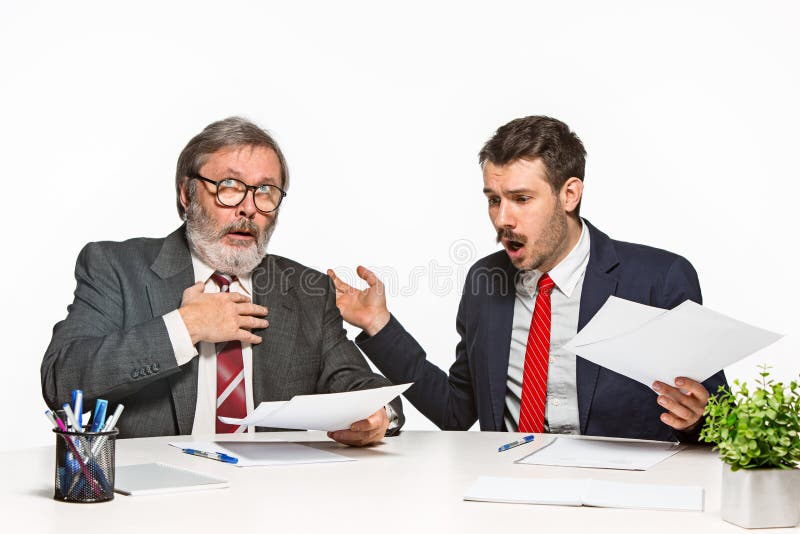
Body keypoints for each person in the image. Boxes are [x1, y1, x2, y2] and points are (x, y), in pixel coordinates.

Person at [329, 115, 726, 442]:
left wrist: (696, 419)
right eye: (493, 199)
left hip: (617, 497)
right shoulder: (486, 279)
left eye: (521, 199)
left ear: (569, 194)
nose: (503, 219)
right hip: (507, 490)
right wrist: (378, 325)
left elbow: (721, 422)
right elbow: (454, 412)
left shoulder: (658, 280)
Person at [42, 117, 402, 446]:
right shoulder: (117, 268)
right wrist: (185, 328)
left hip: (271, 499)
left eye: (265, 192)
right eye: (229, 186)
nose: (248, 207)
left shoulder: (306, 290)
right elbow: (61, 381)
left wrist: (377, 414)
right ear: (187, 194)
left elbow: (356, 384)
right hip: (156, 504)